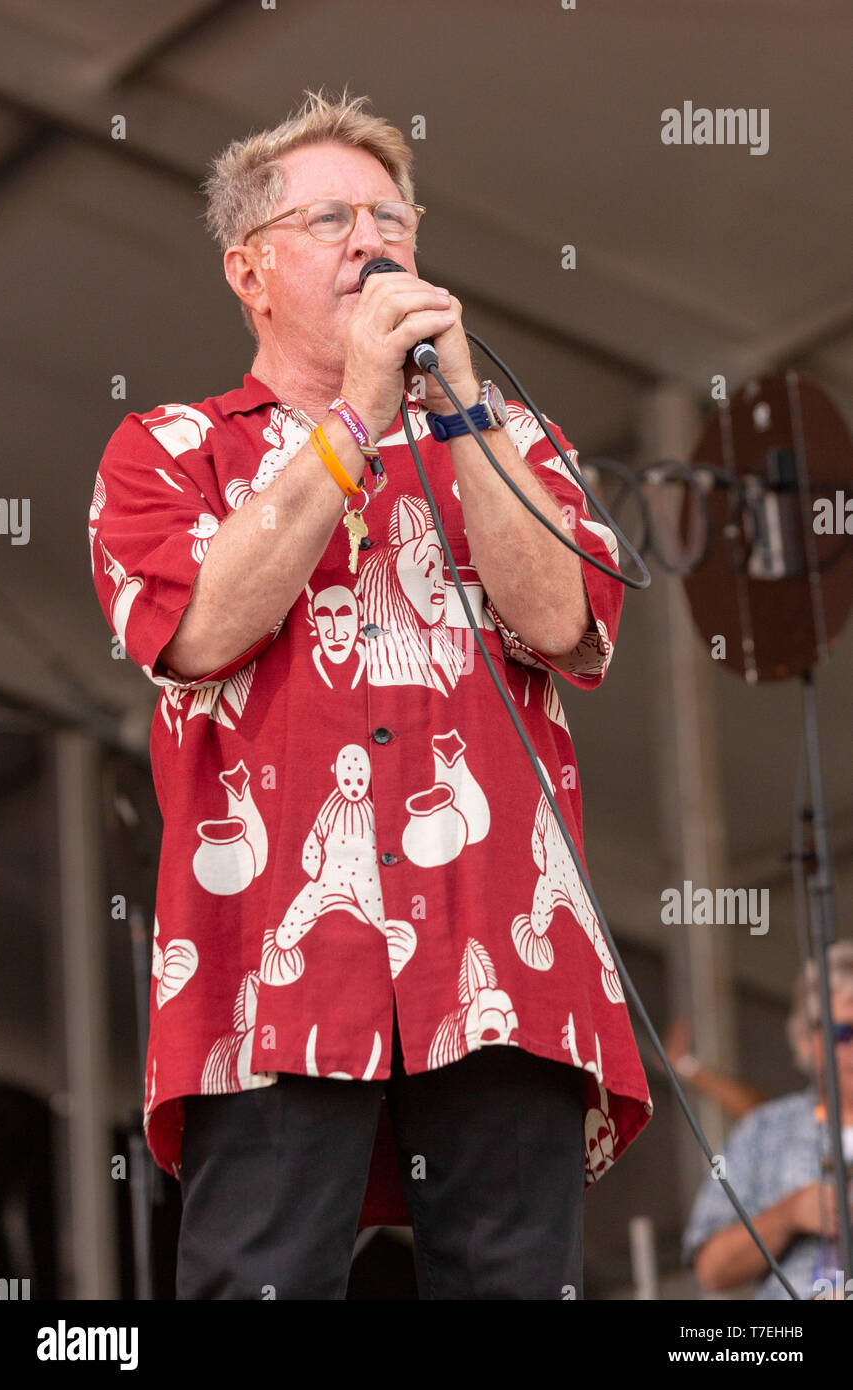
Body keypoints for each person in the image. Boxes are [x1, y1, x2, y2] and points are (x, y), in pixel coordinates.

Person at [89, 88, 651, 1301]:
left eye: (392, 216)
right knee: (258, 1280)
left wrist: (457, 415)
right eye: (332, 216)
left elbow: (568, 619)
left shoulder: (511, 439)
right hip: (273, 962)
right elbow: (196, 629)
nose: (373, 239)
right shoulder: (172, 448)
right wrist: (353, 416)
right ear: (251, 268)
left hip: (502, 949)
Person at [682, 940, 853, 1300]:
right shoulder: (762, 1131)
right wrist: (788, 1215)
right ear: (806, 1040)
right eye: (844, 1033)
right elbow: (711, 1270)